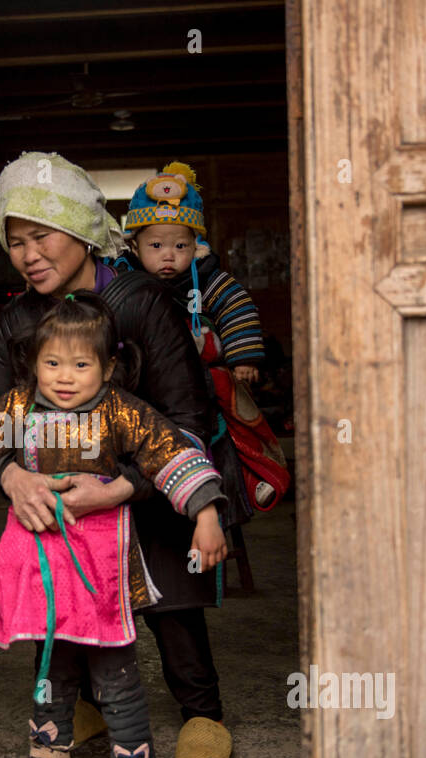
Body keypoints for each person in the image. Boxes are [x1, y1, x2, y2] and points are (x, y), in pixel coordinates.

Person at [0, 151, 236, 758]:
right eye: (15, 243)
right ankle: (86, 707)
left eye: (41, 236)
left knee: (170, 598)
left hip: (150, 481)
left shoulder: (141, 301)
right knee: (62, 604)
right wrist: (13, 477)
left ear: (81, 231)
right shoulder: (16, 319)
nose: (28, 254)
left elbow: (189, 417)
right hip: (66, 500)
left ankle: (203, 713)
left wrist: (126, 487)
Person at [0, 292, 227, 758]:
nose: (64, 375)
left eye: (80, 364)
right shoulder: (18, 409)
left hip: (102, 563)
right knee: (50, 666)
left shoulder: (122, 412)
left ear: (107, 366)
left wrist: (205, 515)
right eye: (52, 362)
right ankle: (48, 755)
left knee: (115, 666)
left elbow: (170, 453)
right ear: (33, 363)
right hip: (41, 562)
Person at [115, 161, 290, 511]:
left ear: (196, 246)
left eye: (180, 247)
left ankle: (256, 474)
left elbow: (237, 306)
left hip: (200, 376)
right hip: (147, 376)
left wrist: (242, 360)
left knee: (234, 410)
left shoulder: (208, 279)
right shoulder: (124, 281)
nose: (169, 256)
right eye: (156, 246)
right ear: (134, 247)